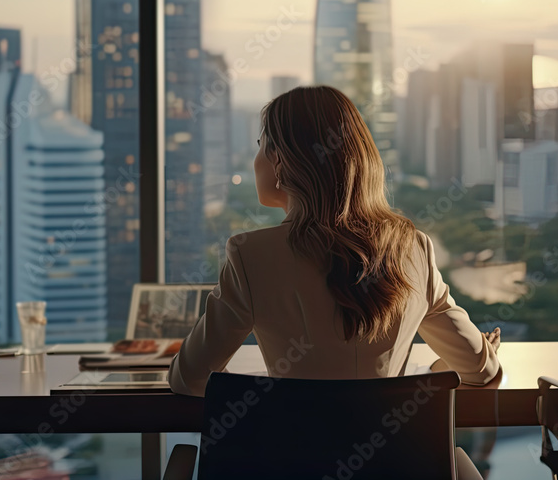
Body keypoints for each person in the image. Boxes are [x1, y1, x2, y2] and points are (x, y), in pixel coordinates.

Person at [168, 85, 498, 477]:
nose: (255, 158)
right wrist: (441, 367)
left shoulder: (250, 255)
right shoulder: (414, 249)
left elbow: (189, 380)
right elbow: (483, 371)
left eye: (261, 145)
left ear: (281, 161)